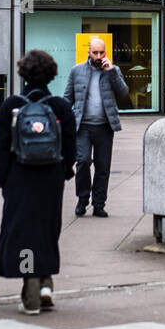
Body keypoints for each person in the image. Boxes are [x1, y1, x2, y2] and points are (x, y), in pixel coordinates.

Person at [0, 49, 77, 315]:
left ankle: (31, 290)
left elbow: (0, 148)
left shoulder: (11, 105)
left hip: (20, 175)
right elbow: (71, 145)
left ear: (23, 73)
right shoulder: (60, 106)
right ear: (51, 74)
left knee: (25, 232)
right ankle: (46, 283)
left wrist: (4, 177)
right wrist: (64, 171)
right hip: (50, 175)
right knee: (48, 229)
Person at [63, 37, 127, 217]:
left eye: (101, 52)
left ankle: (99, 204)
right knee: (82, 161)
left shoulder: (113, 70)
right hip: (82, 126)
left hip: (104, 127)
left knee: (103, 166)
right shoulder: (77, 71)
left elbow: (123, 94)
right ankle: (82, 199)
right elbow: (68, 97)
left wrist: (112, 72)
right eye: (95, 52)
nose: (99, 56)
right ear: (88, 52)